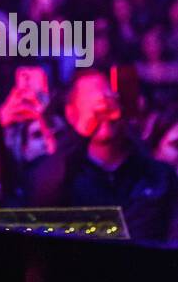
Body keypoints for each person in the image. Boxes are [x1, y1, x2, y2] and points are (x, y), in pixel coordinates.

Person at [26, 70, 178, 244]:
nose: (102, 106)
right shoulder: (62, 175)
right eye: (90, 99)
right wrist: (83, 132)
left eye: (109, 95)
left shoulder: (157, 176)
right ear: (71, 113)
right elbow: (39, 196)